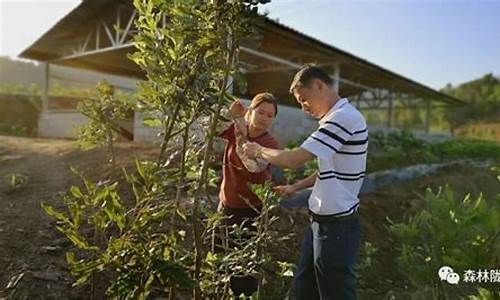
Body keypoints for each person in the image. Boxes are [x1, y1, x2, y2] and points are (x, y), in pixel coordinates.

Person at [242, 65, 368, 300]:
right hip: (320, 224)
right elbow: (328, 169)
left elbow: (294, 159)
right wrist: (295, 187)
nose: (304, 108)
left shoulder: (343, 118)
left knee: (335, 292)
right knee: (303, 288)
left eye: (304, 99)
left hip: (336, 228)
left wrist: (258, 150)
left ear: (319, 85)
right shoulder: (335, 118)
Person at [217, 92, 281, 297]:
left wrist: (241, 132)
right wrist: (230, 114)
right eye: (260, 112)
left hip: (250, 210)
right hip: (225, 204)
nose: (264, 118)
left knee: (244, 264)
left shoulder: (270, 145)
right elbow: (210, 129)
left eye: (270, 115)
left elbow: (253, 167)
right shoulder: (235, 127)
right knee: (219, 257)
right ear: (250, 111)